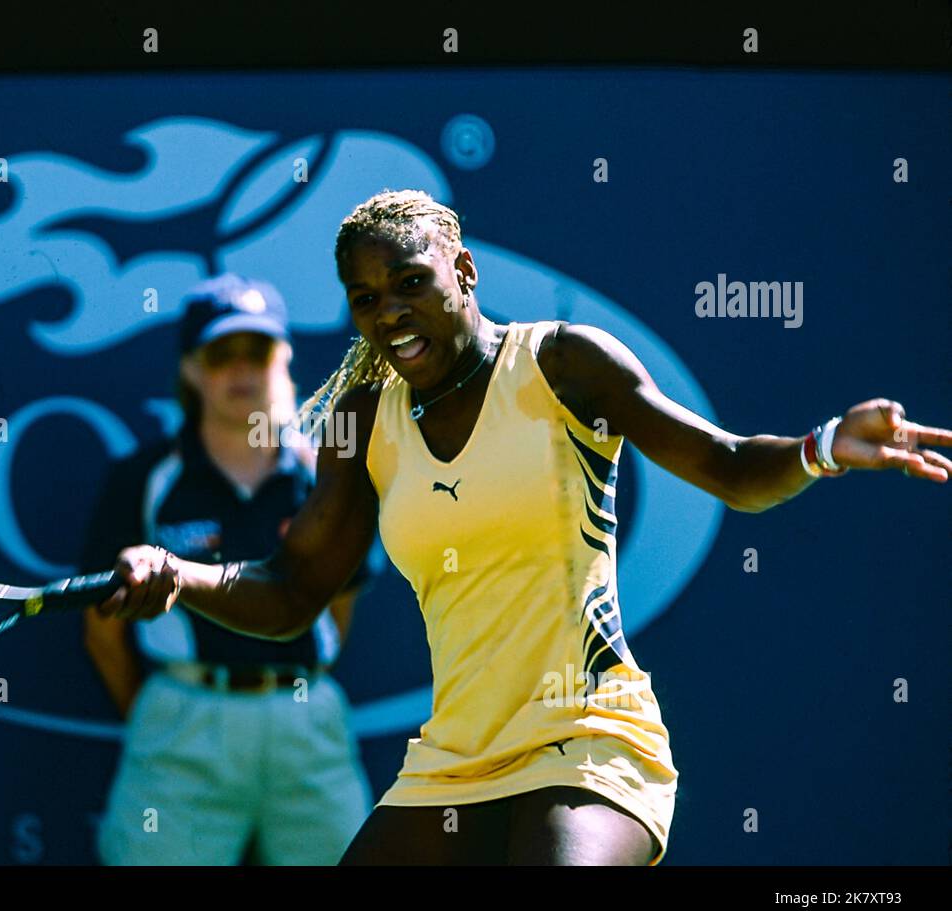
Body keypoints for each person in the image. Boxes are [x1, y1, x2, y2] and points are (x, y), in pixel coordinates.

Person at [92, 189, 952, 865]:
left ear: (463, 271)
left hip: (589, 743)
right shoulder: (362, 419)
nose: (388, 311)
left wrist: (826, 445)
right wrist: (180, 575)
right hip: (454, 763)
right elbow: (294, 592)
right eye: (365, 298)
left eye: (410, 283)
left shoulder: (564, 365)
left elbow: (729, 468)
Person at [81, 273, 373, 866]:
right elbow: (103, 630)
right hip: (182, 721)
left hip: (306, 718)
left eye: (258, 350)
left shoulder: (330, 475)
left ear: (285, 358)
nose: (241, 370)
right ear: (190, 369)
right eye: (221, 354)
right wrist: (164, 714)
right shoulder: (142, 479)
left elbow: (339, 603)